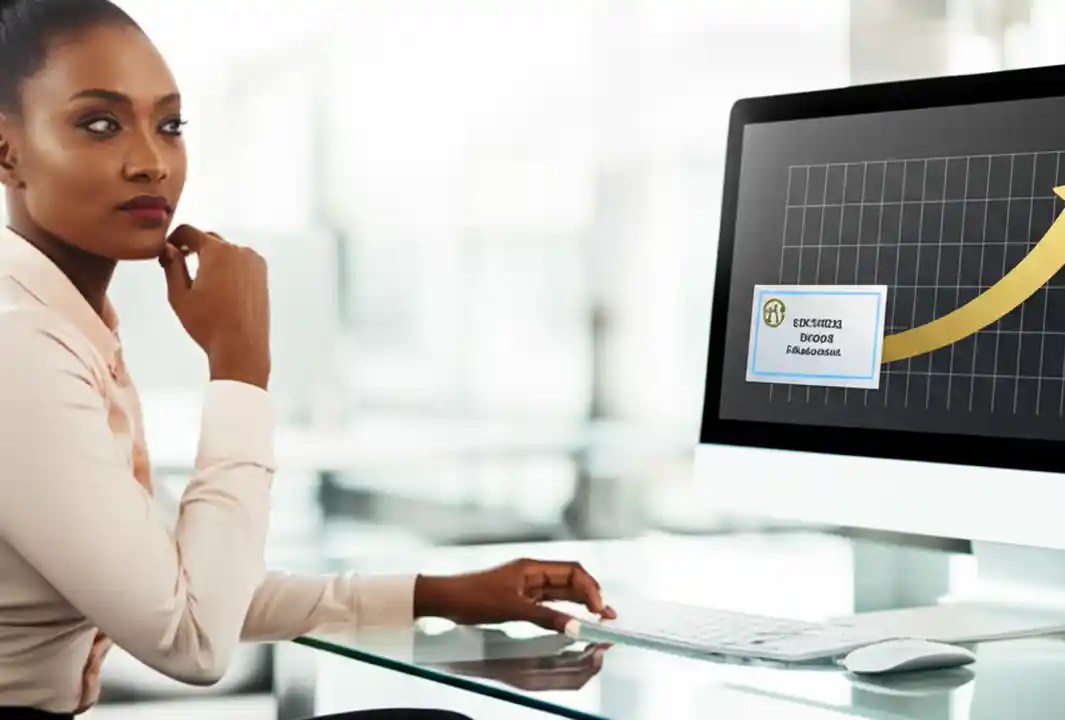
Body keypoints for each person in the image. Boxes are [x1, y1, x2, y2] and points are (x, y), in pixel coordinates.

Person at [0, 1, 615, 717]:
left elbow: (194, 591)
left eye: (170, 125)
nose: (151, 162)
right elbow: (192, 641)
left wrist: (443, 595)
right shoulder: (21, 348)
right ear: (6, 150)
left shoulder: (60, 328)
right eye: (101, 124)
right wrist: (239, 365)